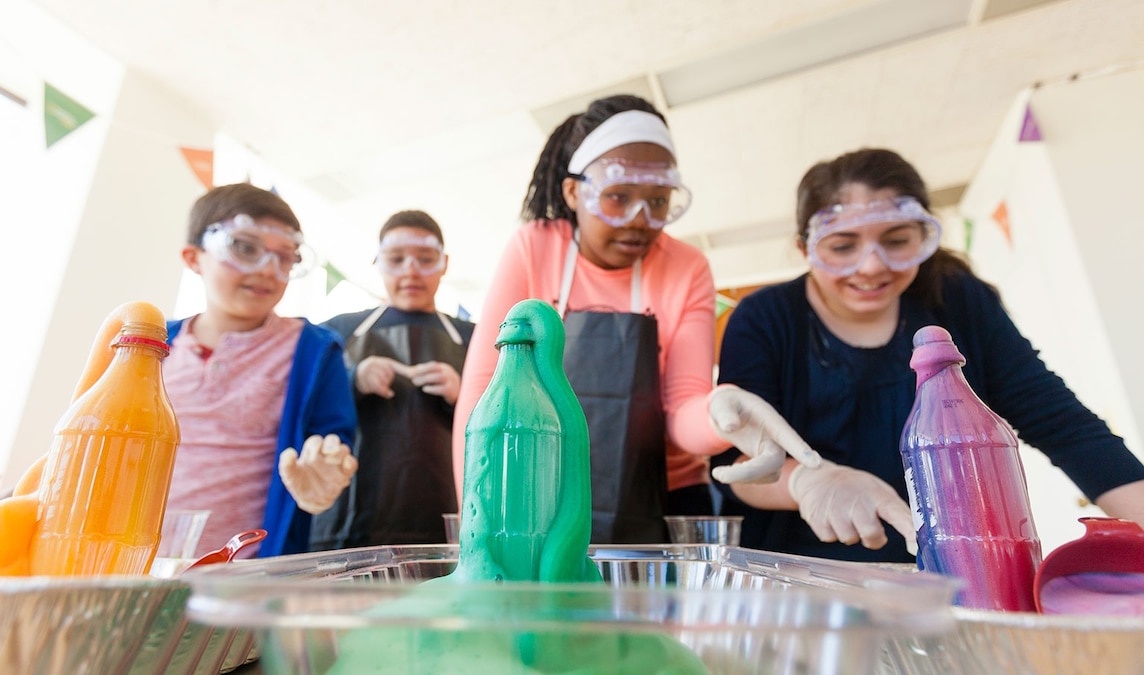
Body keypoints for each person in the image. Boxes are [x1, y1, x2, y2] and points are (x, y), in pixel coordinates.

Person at [710, 147, 1144, 562]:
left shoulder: (956, 300)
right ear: (806, 249)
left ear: (924, 236)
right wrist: (805, 482)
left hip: (949, 569)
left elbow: (1065, 427)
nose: (872, 266)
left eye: (896, 241)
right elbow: (736, 464)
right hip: (799, 577)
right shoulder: (764, 318)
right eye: (843, 247)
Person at [451, 94, 737, 544]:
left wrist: (722, 418)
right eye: (618, 197)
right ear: (573, 191)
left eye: (658, 201)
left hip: (664, 500)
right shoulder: (534, 247)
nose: (638, 221)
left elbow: (683, 410)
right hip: (536, 489)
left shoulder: (688, 267)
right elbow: (485, 394)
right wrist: (478, 515)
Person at [164, 183, 359, 558]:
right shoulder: (150, 345)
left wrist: (324, 472)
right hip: (131, 567)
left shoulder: (314, 350)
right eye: (245, 248)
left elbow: (331, 444)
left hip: (248, 581)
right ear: (193, 257)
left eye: (285, 257)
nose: (269, 270)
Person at [311, 210, 475, 549]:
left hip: (447, 514)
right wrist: (353, 379)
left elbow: (506, 416)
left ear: (444, 264)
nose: (411, 270)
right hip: (349, 519)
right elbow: (303, 405)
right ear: (378, 263)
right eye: (396, 259)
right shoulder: (335, 332)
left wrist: (464, 394)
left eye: (425, 259)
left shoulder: (474, 338)